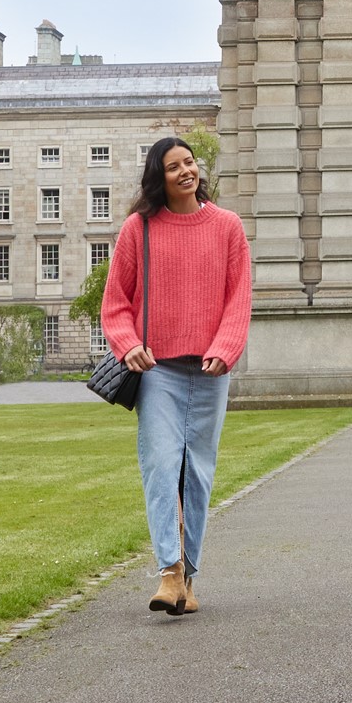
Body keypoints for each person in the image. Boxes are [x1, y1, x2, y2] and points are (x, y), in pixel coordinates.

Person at [101, 136, 252, 618]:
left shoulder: (228, 226)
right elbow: (116, 304)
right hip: (158, 369)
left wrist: (225, 348)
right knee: (162, 466)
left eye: (190, 162)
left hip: (210, 370)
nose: (186, 171)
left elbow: (238, 298)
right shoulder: (138, 228)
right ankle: (168, 572)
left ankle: (188, 576)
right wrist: (129, 346)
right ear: (158, 176)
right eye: (173, 166)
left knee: (199, 476)